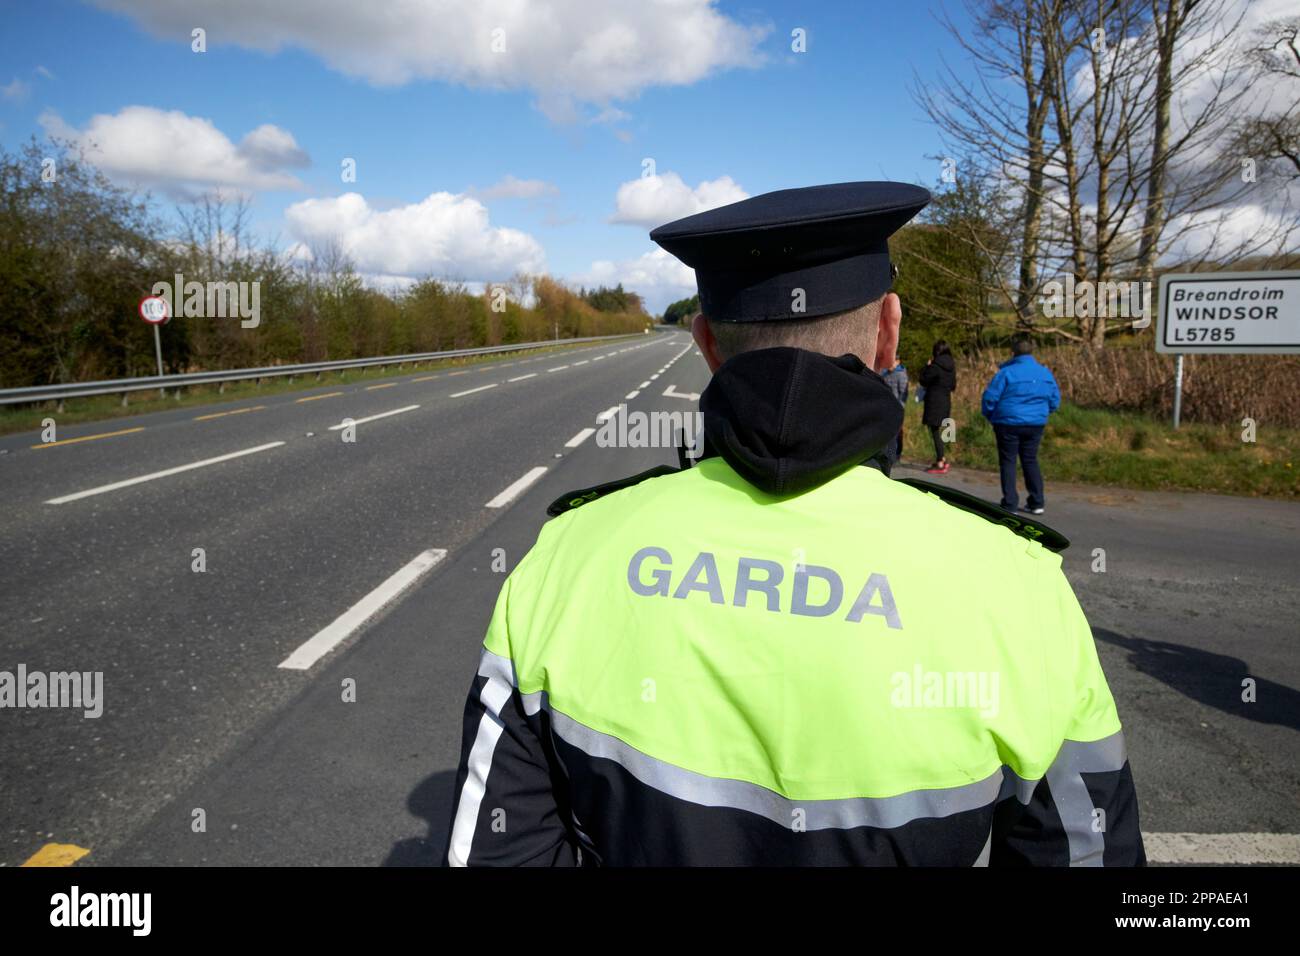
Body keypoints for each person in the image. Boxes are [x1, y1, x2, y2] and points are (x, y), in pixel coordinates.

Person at [445, 182, 1143, 867]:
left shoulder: (570, 553)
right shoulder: (1018, 586)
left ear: (707, 344)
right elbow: (1084, 847)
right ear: (889, 334)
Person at [981, 337, 1061, 515]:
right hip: (1035, 423)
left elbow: (990, 398)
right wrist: (1042, 413)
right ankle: (1037, 501)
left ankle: (1010, 503)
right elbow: (1055, 399)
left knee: (1008, 461)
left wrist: (990, 415)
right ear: (1032, 352)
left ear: (1013, 353)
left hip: (1007, 421)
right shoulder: (1044, 373)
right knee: (1030, 460)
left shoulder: (1006, 373)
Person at [918, 341, 956, 474]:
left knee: (934, 431)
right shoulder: (952, 366)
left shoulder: (935, 366)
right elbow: (953, 386)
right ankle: (943, 458)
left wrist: (926, 366)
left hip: (934, 402)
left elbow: (923, 380)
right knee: (939, 430)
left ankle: (940, 461)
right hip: (946, 401)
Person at [879, 359, 908, 462]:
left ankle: (897, 453)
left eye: (893, 362)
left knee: (897, 432)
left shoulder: (901, 375)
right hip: (886, 407)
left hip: (898, 407)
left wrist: (900, 408)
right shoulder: (885, 373)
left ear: (898, 361)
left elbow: (903, 394)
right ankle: (887, 453)